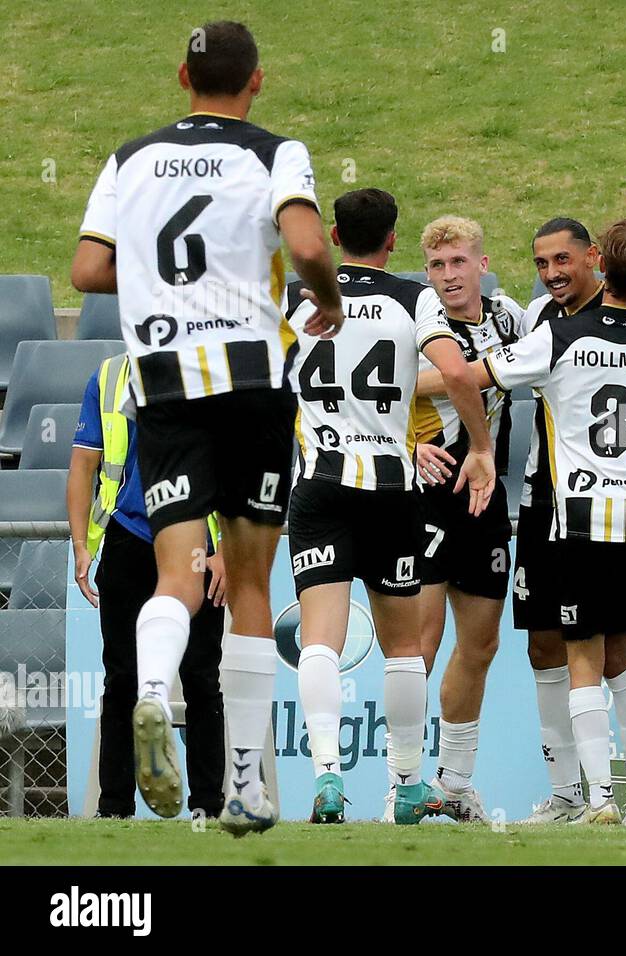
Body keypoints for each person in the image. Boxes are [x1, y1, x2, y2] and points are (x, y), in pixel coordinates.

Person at [70, 20, 346, 836]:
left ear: (178, 76)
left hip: (163, 387)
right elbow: (303, 244)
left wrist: (156, 277)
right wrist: (326, 299)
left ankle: (153, 691)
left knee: (178, 576)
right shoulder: (274, 152)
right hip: (253, 382)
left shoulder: (130, 159)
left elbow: (87, 268)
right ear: (256, 81)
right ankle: (244, 788)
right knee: (253, 583)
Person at [472, 217, 626, 824]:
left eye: (562, 261)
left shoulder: (558, 337)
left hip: (574, 515)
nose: (552, 274)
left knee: (592, 656)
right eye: (542, 263)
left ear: (597, 262)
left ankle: (605, 797)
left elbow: (479, 377)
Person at [286, 189, 495, 825]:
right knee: (403, 646)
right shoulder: (414, 298)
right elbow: (458, 374)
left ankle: (324, 777)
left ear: (332, 234)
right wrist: (480, 447)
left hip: (319, 483)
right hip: (389, 487)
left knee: (320, 636)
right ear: (394, 240)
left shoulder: (297, 299)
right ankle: (405, 782)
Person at [376, 215, 524, 823]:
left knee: (482, 642)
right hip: (428, 495)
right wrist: (409, 447)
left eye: (458, 263)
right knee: (422, 643)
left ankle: (455, 781)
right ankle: (401, 786)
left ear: (481, 265)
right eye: (436, 266)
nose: (447, 276)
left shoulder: (510, 317)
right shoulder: (415, 322)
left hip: (485, 499)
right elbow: (372, 389)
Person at [67, 354, 227, 821]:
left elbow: (239, 469)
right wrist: (81, 544)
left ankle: (207, 808)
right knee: (122, 679)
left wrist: (229, 554)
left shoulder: (220, 367)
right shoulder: (110, 374)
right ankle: (114, 809)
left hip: (200, 537)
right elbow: (83, 465)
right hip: (128, 540)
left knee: (200, 678)